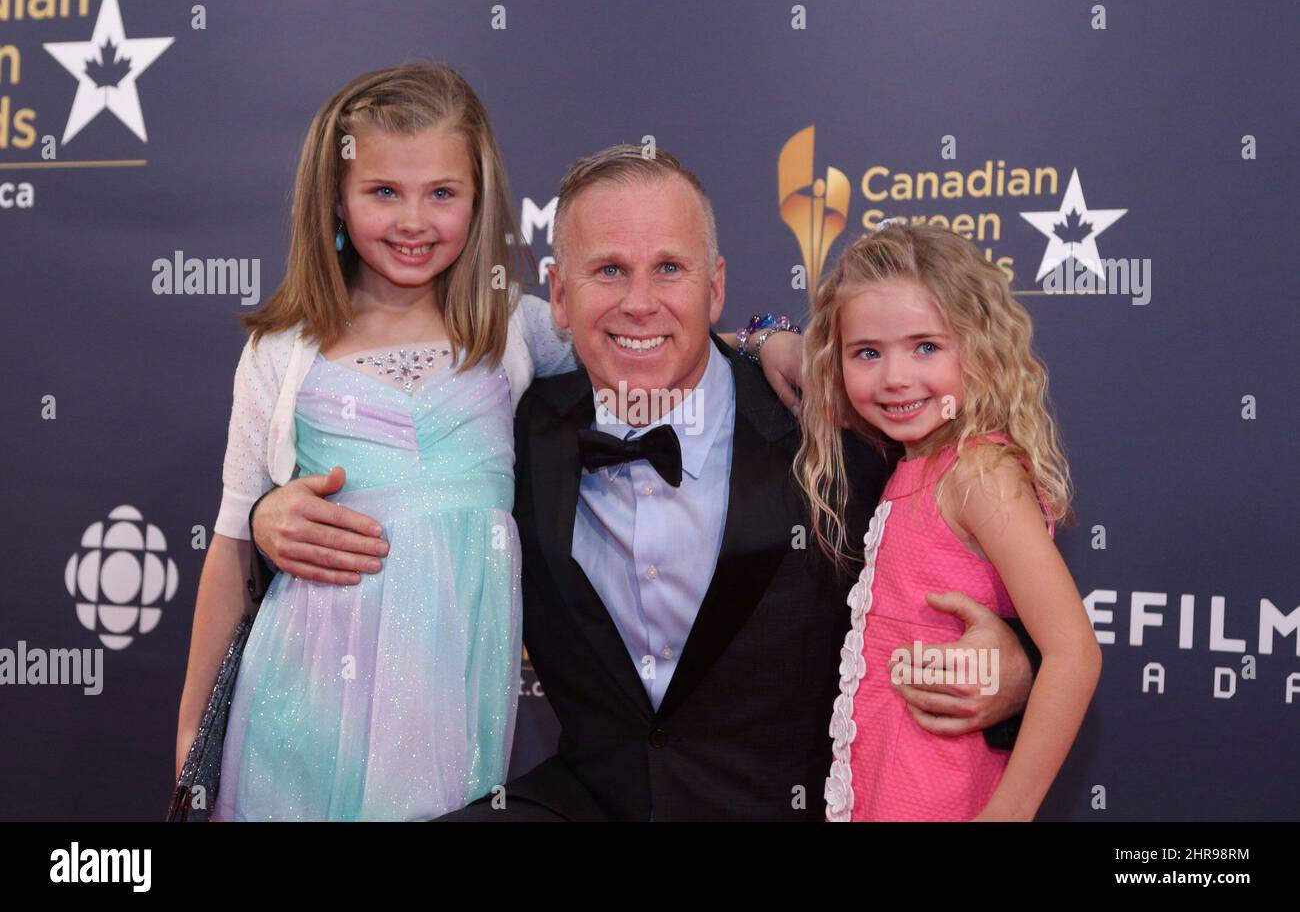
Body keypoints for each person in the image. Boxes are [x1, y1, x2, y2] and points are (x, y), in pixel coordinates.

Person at [252, 146, 1040, 821]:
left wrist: (1014, 673)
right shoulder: (514, 435)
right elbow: (400, 511)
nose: (638, 302)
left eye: (669, 267)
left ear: (716, 287)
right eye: (608, 271)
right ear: (558, 295)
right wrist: (267, 517)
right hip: (591, 803)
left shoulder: (836, 432)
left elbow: (976, 589)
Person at [173, 64, 578, 821]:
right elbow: (231, 547)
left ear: (480, 198)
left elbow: (650, 345)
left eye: (443, 193)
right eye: (384, 191)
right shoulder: (281, 353)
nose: (414, 221)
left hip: (449, 720)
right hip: (296, 718)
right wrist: (192, 736)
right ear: (336, 196)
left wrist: (765, 347)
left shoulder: (512, 332)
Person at [798, 223, 1102, 821]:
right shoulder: (911, 463)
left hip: (943, 794)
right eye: (867, 353)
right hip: (884, 785)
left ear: (979, 344)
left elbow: (1073, 653)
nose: (895, 378)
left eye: (926, 347)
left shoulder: (978, 473)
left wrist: (1007, 815)